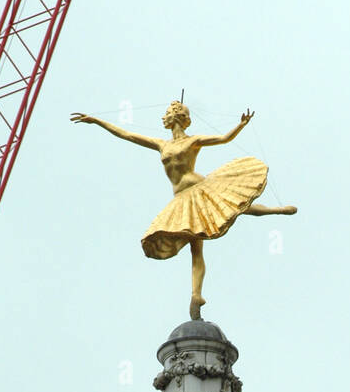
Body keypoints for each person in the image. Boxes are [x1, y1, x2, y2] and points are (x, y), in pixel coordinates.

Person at [71, 100, 297, 318]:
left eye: (168, 113)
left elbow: (223, 138)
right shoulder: (162, 144)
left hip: (198, 187)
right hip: (180, 198)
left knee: (236, 205)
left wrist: (241, 124)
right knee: (195, 248)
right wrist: (98, 121)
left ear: (178, 116)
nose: (164, 117)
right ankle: (196, 295)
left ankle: (278, 210)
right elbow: (127, 135)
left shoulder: (193, 141)